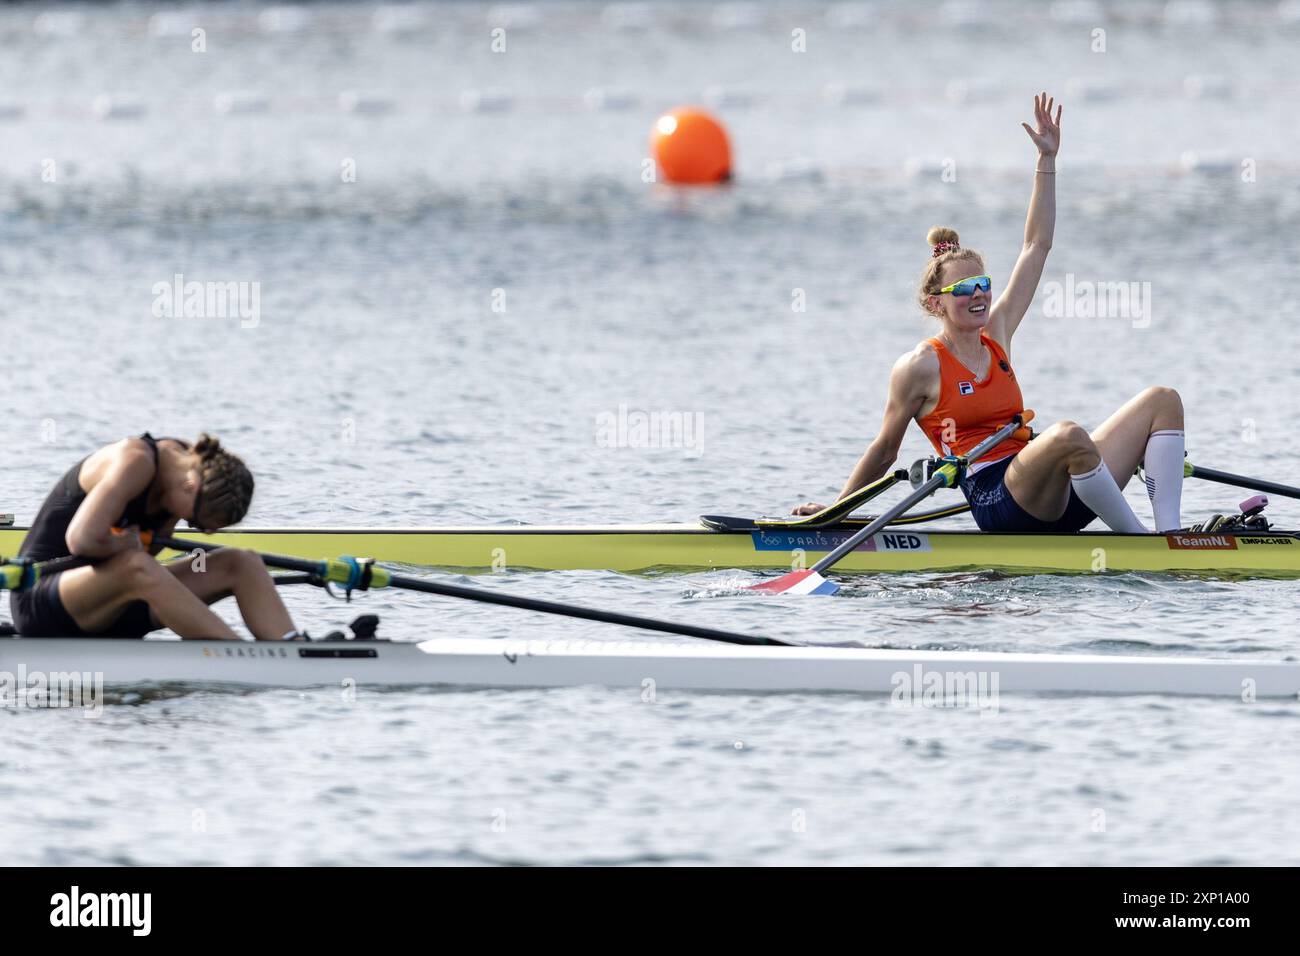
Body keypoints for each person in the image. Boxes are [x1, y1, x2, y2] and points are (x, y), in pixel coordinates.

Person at [793, 93, 1184, 533]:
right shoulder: (919, 367)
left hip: (1050, 489)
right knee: (1069, 434)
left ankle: (1170, 537)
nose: (978, 295)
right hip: (998, 499)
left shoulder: (997, 330)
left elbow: (1037, 246)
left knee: (1162, 401)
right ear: (934, 302)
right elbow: (886, 450)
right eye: (963, 289)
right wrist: (837, 509)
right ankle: (1141, 544)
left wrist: (1047, 159)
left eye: (983, 285)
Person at [12, 432, 301, 640]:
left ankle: (292, 649)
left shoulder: (185, 470)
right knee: (136, 565)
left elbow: (144, 556)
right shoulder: (135, 461)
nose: (205, 531)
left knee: (242, 562)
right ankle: (239, 656)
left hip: (115, 604)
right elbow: (82, 539)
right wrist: (125, 543)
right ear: (189, 485)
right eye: (197, 522)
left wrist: (133, 547)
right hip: (42, 600)